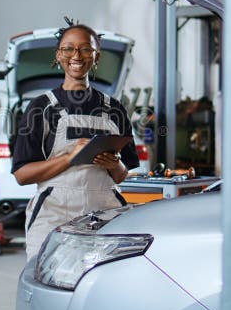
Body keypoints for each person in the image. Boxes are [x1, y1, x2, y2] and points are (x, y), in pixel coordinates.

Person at [11, 21, 140, 259]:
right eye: (69, 49)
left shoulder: (114, 109)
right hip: (54, 212)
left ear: (96, 55)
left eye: (85, 49)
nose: (76, 56)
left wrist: (114, 164)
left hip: (105, 212)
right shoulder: (42, 107)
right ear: (59, 55)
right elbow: (22, 175)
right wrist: (70, 157)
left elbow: (122, 175)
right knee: (47, 283)